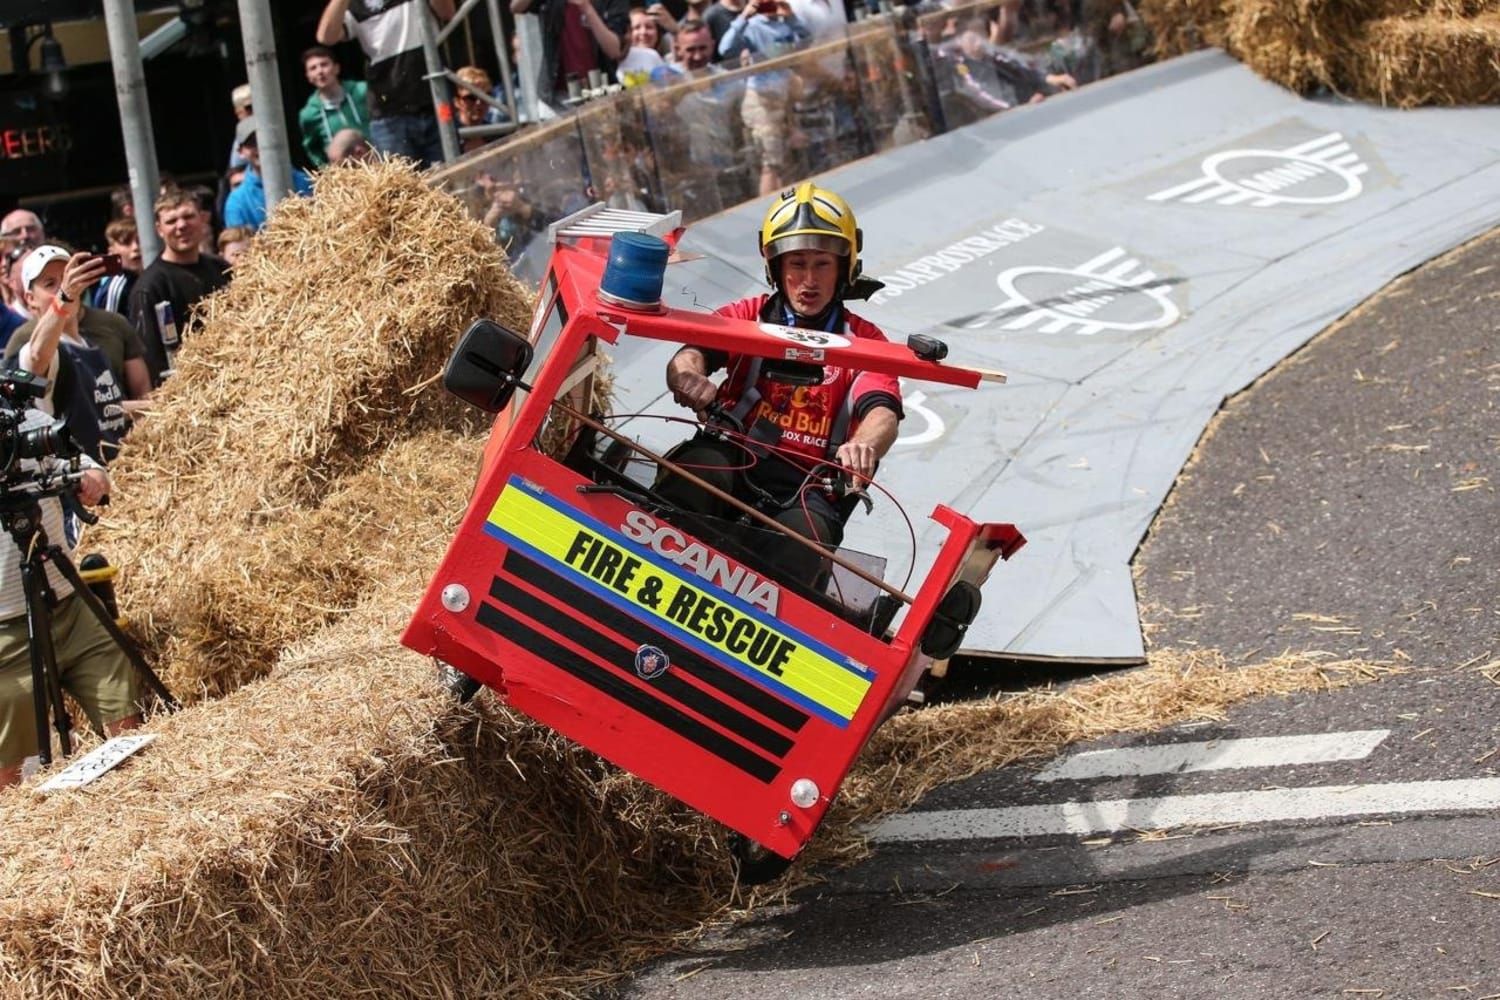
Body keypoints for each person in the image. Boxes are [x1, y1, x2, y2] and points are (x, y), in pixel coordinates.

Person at [659, 182, 901, 583]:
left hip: (809, 487)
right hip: (733, 456)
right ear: (776, 267)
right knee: (694, 474)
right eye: (797, 264)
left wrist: (864, 445)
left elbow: (882, 411)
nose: (809, 280)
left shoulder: (867, 341)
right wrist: (687, 376)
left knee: (803, 544)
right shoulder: (747, 314)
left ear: (844, 266)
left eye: (822, 264)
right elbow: (691, 353)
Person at [0, 421, 132, 789]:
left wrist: (92, 479)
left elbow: (91, 469)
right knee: (5, 763)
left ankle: (139, 798)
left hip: (69, 605)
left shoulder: (21, 420)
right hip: (5, 631)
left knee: (121, 699)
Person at [8, 246, 153, 465]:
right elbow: (37, 357)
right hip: (82, 485)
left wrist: (160, 407)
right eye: (50, 284)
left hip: (120, 479)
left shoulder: (88, 343)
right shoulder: (46, 348)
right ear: (30, 299)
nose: (64, 288)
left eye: (66, 278)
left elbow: (101, 410)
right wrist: (64, 296)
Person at [316, 0, 457, 169]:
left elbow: (447, 12)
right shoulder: (355, 6)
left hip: (435, 102)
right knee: (401, 190)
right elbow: (326, 36)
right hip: (389, 113)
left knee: (453, 179)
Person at [128, 189, 231, 386]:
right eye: (171, 221)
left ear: (202, 219)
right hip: (188, 390)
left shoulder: (222, 269)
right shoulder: (150, 287)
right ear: (159, 229)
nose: (182, 225)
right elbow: (151, 359)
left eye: (188, 216)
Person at [717, 0, 811, 194]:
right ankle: (767, 211)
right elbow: (724, 49)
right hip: (761, 101)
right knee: (770, 164)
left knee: (787, 161)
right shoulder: (752, 26)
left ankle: (793, 207)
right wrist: (744, 16)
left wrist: (791, 17)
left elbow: (807, 40)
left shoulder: (785, 21)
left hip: (785, 100)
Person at [510, 0, 629, 109]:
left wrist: (587, 8)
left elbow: (614, 50)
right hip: (557, 97)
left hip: (600, 91)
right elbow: (515, 7)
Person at [223, 117, 316, 233]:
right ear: (241, 152)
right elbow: (238, 245)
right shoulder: (237, 202)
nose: (260, 147)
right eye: (252, 143)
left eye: (263, 139)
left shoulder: (306, 181)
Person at [298, 45, 372, 169]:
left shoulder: (362, 91)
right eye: (313, 68)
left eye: (324, 64)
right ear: (308, 77)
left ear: (336, 68)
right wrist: (327, 171)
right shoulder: (308, 114)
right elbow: (312, 147)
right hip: (344, 173)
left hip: (375, 161)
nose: (319, 71)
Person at [87, 218, 144, 317]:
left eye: (139, 241)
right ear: (111, 252)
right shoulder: (116, 287)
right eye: (126, 243)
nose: (135, 247)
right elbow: (109, 327)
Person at [452, 66, 508, 153]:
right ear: (457, 102)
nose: (479, 103)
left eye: (485, 96)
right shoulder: (448, 139)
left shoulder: (496, 134)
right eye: (471, 97)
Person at [616, 8, 669, 85]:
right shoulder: (618, 58)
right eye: (637, 27)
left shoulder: (667, 57)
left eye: (649, 27)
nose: (643, 32)